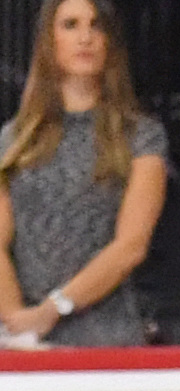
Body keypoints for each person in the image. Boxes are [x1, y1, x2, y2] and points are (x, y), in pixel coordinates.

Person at [0, 0, 166, 349]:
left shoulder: (140, 136)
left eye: (96, 26)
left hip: (108, 339)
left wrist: (52, 310)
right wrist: (19, 322)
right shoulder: (14, 139)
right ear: (49, 40)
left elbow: (131, 246)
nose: (85, 37)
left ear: (110, 43)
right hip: (23, 343)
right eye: (71, 25)